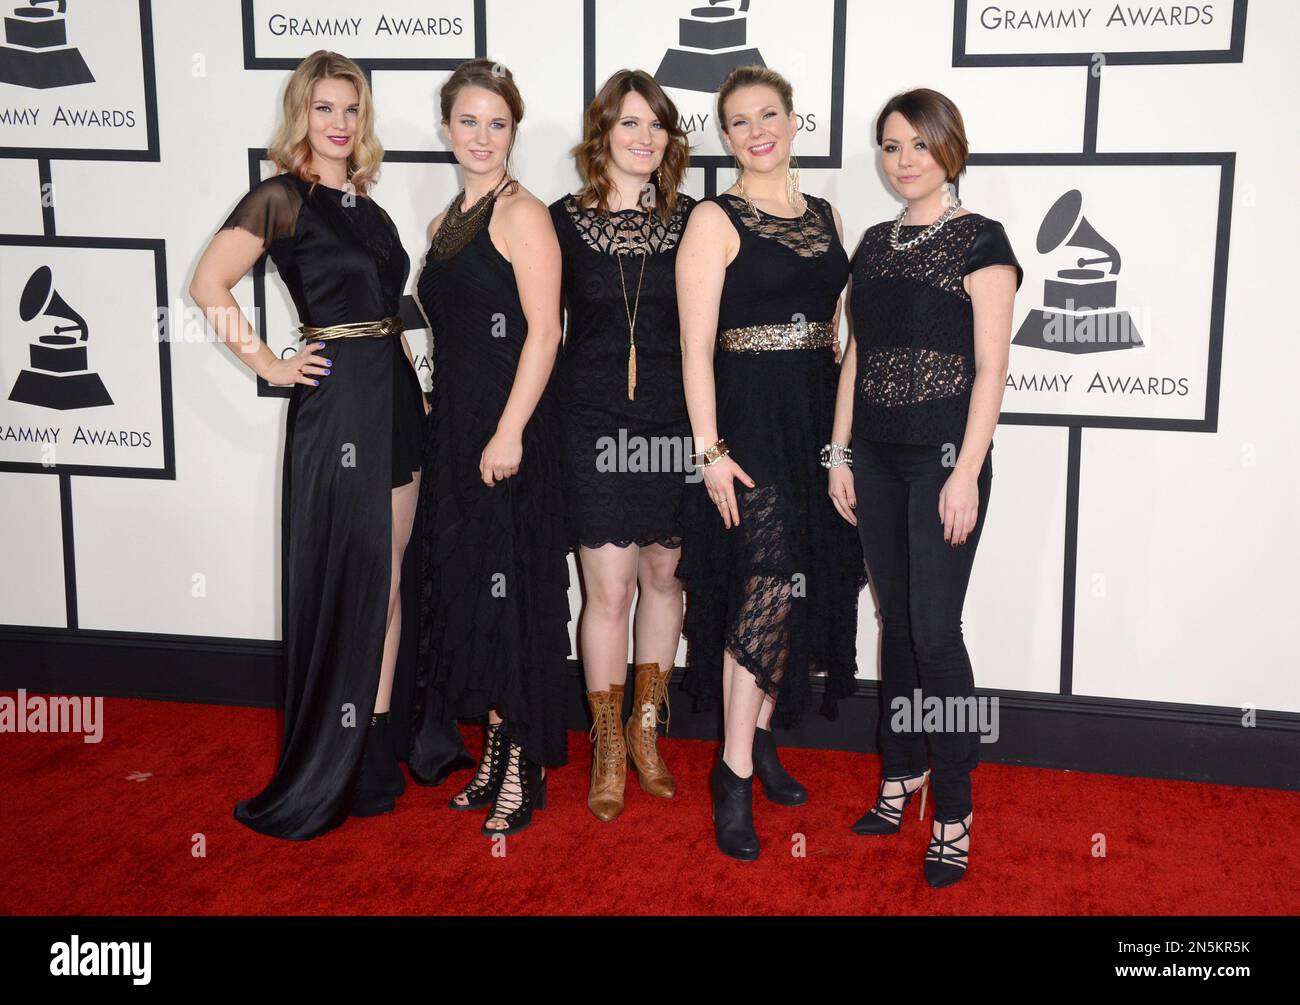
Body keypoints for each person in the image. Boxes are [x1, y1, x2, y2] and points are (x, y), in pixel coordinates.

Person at [190, 50, 424, 839]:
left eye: (351, 110)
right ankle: (336, 755)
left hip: (395, 395)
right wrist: (271, 363)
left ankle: (379, 741)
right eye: (325, 108)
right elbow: (206, 284)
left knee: (389, 583)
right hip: (340, 406)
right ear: (301, 114)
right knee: (350, 582)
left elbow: (393, 304)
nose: (339, 123)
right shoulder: (281, 198)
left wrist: (418, 380)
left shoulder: (366, 202)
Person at [829, 88, 1021, 887]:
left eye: (917, 144)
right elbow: (854, 355)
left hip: (946, 454)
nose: (903, 159)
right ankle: (900, 772)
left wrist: (966, 470)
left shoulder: (982, 241)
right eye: (889, 145)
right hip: (871, 455)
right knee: (897, 625)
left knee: (937, 632)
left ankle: (954, 801)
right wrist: (835, 453)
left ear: (950, 148)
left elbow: (992, 368)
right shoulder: (872, 243)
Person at [676, 66, 867, 861]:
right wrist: (711, 452)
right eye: (739, 123)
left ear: (794, 121)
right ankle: (732, 774)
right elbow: (694, 350)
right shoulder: (714, 219)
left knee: (792, 592)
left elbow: (846, 333)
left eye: (769, 116)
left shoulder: (826, 213)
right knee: (761, 586)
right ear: (724, 138)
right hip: (748, 427)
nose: (757, 131)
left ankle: (756, 744)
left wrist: (842, 444)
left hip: (814, 419)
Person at [408, 58, 570, 837]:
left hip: (513, 431)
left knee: (513, 594)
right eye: (468, 121)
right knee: (476, 590)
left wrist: (508, 430)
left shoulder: (522, 213)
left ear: (513, 130)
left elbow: (546, 331)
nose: (482, 135)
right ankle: (495, 751)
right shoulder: (444, 225)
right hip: (458, 431)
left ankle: (522, 764)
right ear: (446, 128)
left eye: (497, 123)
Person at [549, 69, 696, 822]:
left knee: (665, 582)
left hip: (676, 422)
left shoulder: (695, 219)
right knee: (608, 590)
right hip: (594, 418)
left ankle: (646, 731)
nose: (644, 138)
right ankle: (607, 742)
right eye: (629, 123)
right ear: (602, 132)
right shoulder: (560, 221)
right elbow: (540, 328)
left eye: (657, 125)